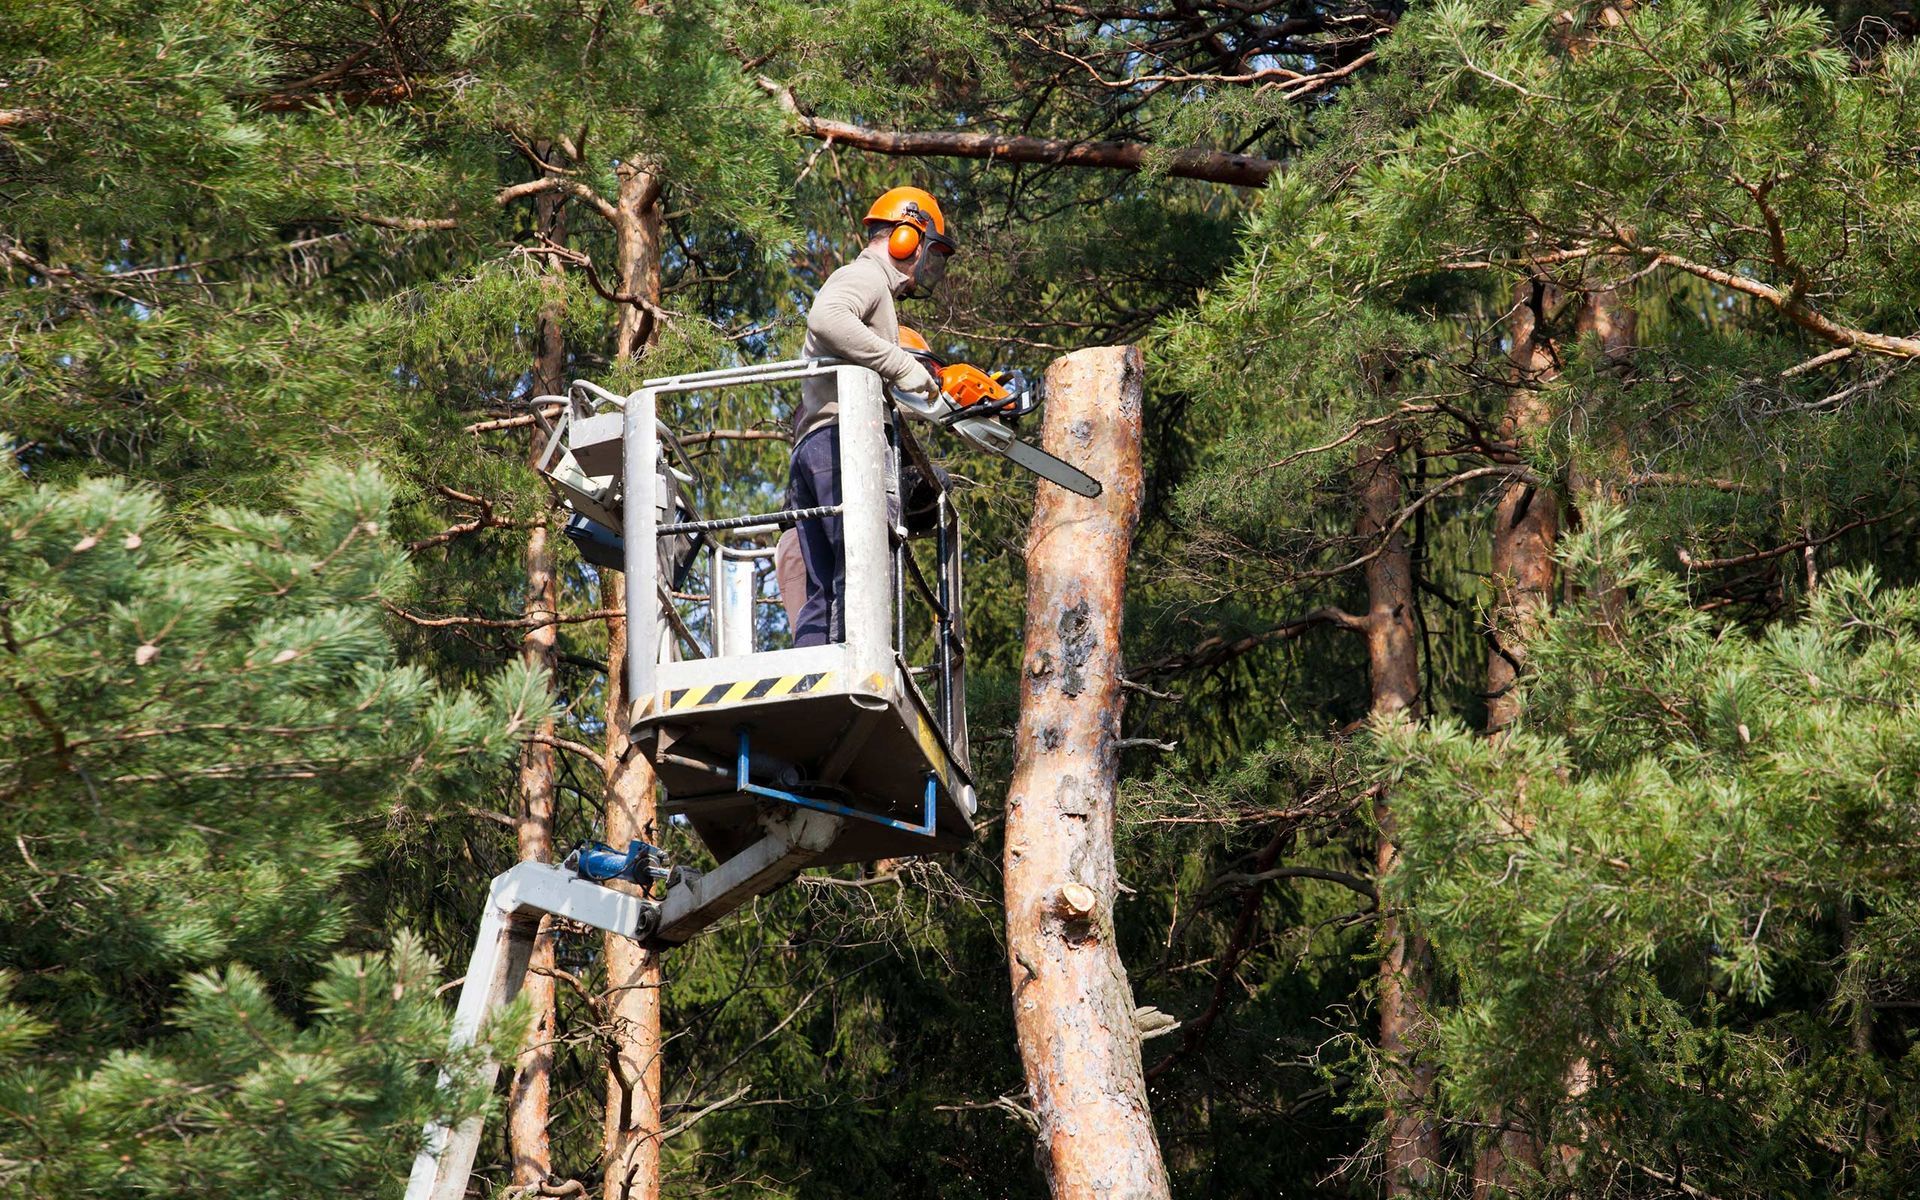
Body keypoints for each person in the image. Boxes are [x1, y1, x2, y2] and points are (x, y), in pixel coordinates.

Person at [787, 186, 956, 647]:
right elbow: (827, 319)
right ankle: (855, 664)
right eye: (929, 252)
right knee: (861, 571)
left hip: (817, 444)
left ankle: (813, 679)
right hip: (845, 444)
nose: (928, 268)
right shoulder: (865, 276)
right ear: (906, 238)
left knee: (824, 588)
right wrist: (902, 364)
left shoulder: (870, 287)